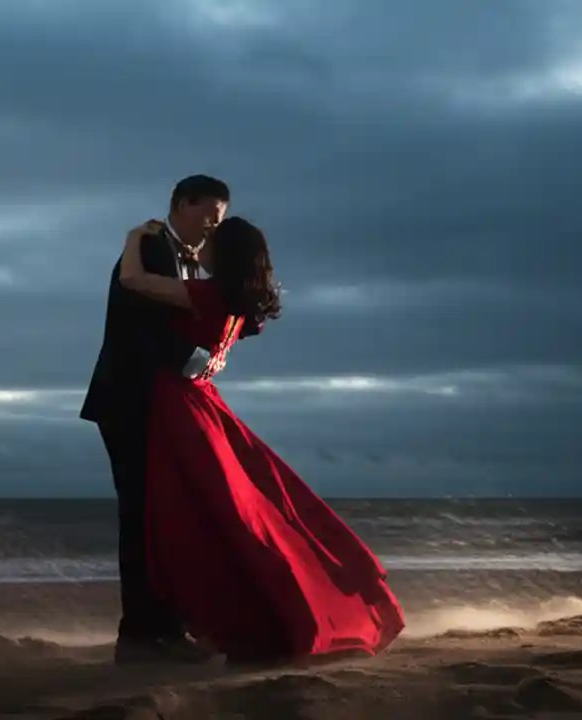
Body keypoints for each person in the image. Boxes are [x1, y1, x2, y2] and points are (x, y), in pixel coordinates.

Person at [118, 216, 405, 664]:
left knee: (196, 514)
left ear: (225, 253)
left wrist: (134, 237)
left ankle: (207, 622)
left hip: (181, 406)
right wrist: (191, 258)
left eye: (210, 240)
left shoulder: (207, 294)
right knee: (239, 508)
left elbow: (133, 280)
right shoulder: (236, 301)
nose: (201, 244)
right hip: (203, 402)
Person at [80, 175, 232, 664]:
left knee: (163, 513)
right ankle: (145, 635)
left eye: (220, 220)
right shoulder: (149, 247)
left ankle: (163, 628)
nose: (212, 227)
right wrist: (199, 362)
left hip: (156, 399)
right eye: (209, 216)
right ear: (183, 204)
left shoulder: (179, 255)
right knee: (143, 515)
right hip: (132, 399)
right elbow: (141, 329)